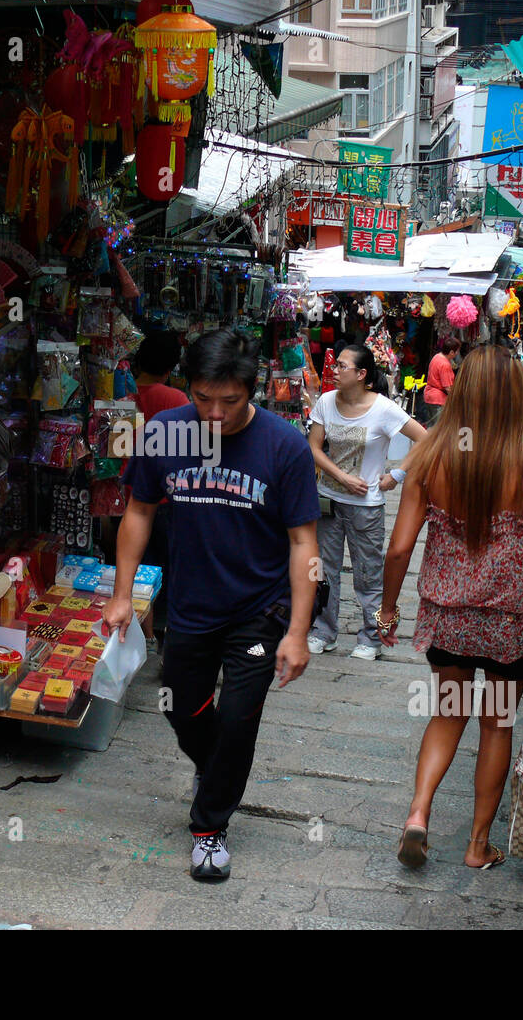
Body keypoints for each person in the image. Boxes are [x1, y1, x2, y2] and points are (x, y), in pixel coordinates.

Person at [103, 329, 320, 882]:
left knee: (241, 719)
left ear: (253, 389)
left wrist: (297, 631)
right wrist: (123, 596)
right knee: (178, 706)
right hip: (192, 605)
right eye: (203, 398)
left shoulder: (284, 446)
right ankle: (216, 766)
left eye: (230, 400)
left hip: (260, 609)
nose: (215, 413)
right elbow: (139, 511)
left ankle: (209, 830)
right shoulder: (166, 433)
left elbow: (303, 543)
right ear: (188, 387)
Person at [375, 345, 523, 871]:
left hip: (448, 618)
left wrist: (388, 611)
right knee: (496, 724)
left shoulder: (432, 461)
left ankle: (418, 815)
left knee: (447, 712)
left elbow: (398, 548)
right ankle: (478, 847)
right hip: (510, 625)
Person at [307, 344, 426, 660]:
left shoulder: (384, 409)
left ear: (361, 374)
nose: (335, 370)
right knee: (325, 570)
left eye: (342, 366)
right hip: (328, 501)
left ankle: (371, 638)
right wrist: (341, 477)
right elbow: (314, 448)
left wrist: (397, 474)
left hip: (367, 507)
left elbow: (425, 438)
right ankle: (323, 631)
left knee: (368, 572)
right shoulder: (325, 402)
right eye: (335, 365)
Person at [131, 329, 188, 647]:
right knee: (166, 569)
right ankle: (165, 635)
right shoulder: (176, 401)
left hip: (127, 499)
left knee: (136, 569)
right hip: (166, 502)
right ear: (171, 367)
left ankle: (143, 634)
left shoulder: (125, 395)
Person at [422, 336, 460, 426]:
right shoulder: (445, 364)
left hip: (430, 396)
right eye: (457, 351)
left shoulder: (437, 356)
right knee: (438, 428)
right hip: (438, 399)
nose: (458, 353)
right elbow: (448, 387)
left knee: (431, 427)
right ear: (451, 352)